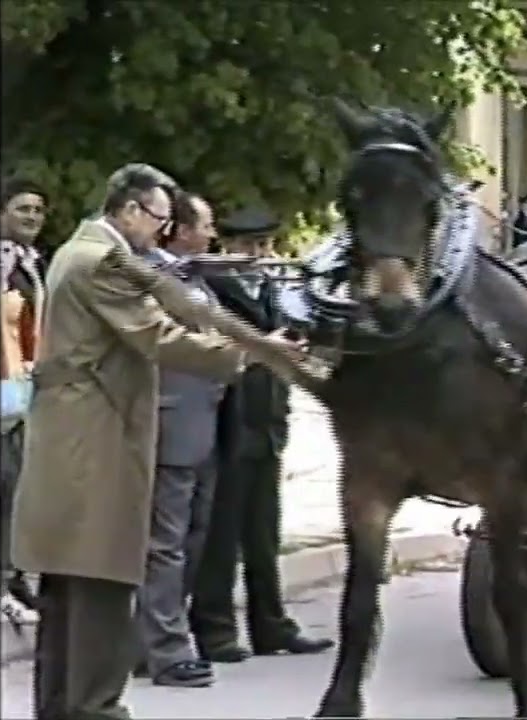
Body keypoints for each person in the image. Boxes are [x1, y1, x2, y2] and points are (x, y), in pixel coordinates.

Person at [9, 168, 305, 720]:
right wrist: (255, 355)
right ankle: (93, 707)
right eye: (158, 219)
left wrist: (258, 341)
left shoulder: (90, 247)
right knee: (100, 577)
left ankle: (63, 707)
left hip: (79, 439)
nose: (162, 232)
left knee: (70, 587)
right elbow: (159, 334)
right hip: (92, 441)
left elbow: (181, 300)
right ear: (129, 211)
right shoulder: (100, 261)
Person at [191, 208, 334, 663]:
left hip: (268, 418)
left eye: (266, 246)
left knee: (263, 532)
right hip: (228, 419)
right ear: (227, 247)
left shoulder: (273, 289)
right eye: (250, 247)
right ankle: (214, 628)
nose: (260, 256)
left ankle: (270, 624)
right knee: (222, 532)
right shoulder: (210, 289)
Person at [133, 191, 227, 688]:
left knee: (189, 537)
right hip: (170, 424)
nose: (212, 234)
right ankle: (166, 650)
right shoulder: (152, 276)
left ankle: (149, 641)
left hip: (200, 425)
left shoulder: (191, 276)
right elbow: (173, 342)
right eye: (204, 224)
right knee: (166, 543)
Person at [0, 176, 47, 626]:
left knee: (20, 487)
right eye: (22, 208)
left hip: (25, 388)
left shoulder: (33, 264)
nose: (31, 217)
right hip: (4, 385)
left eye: (37, 210)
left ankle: (14, 577)